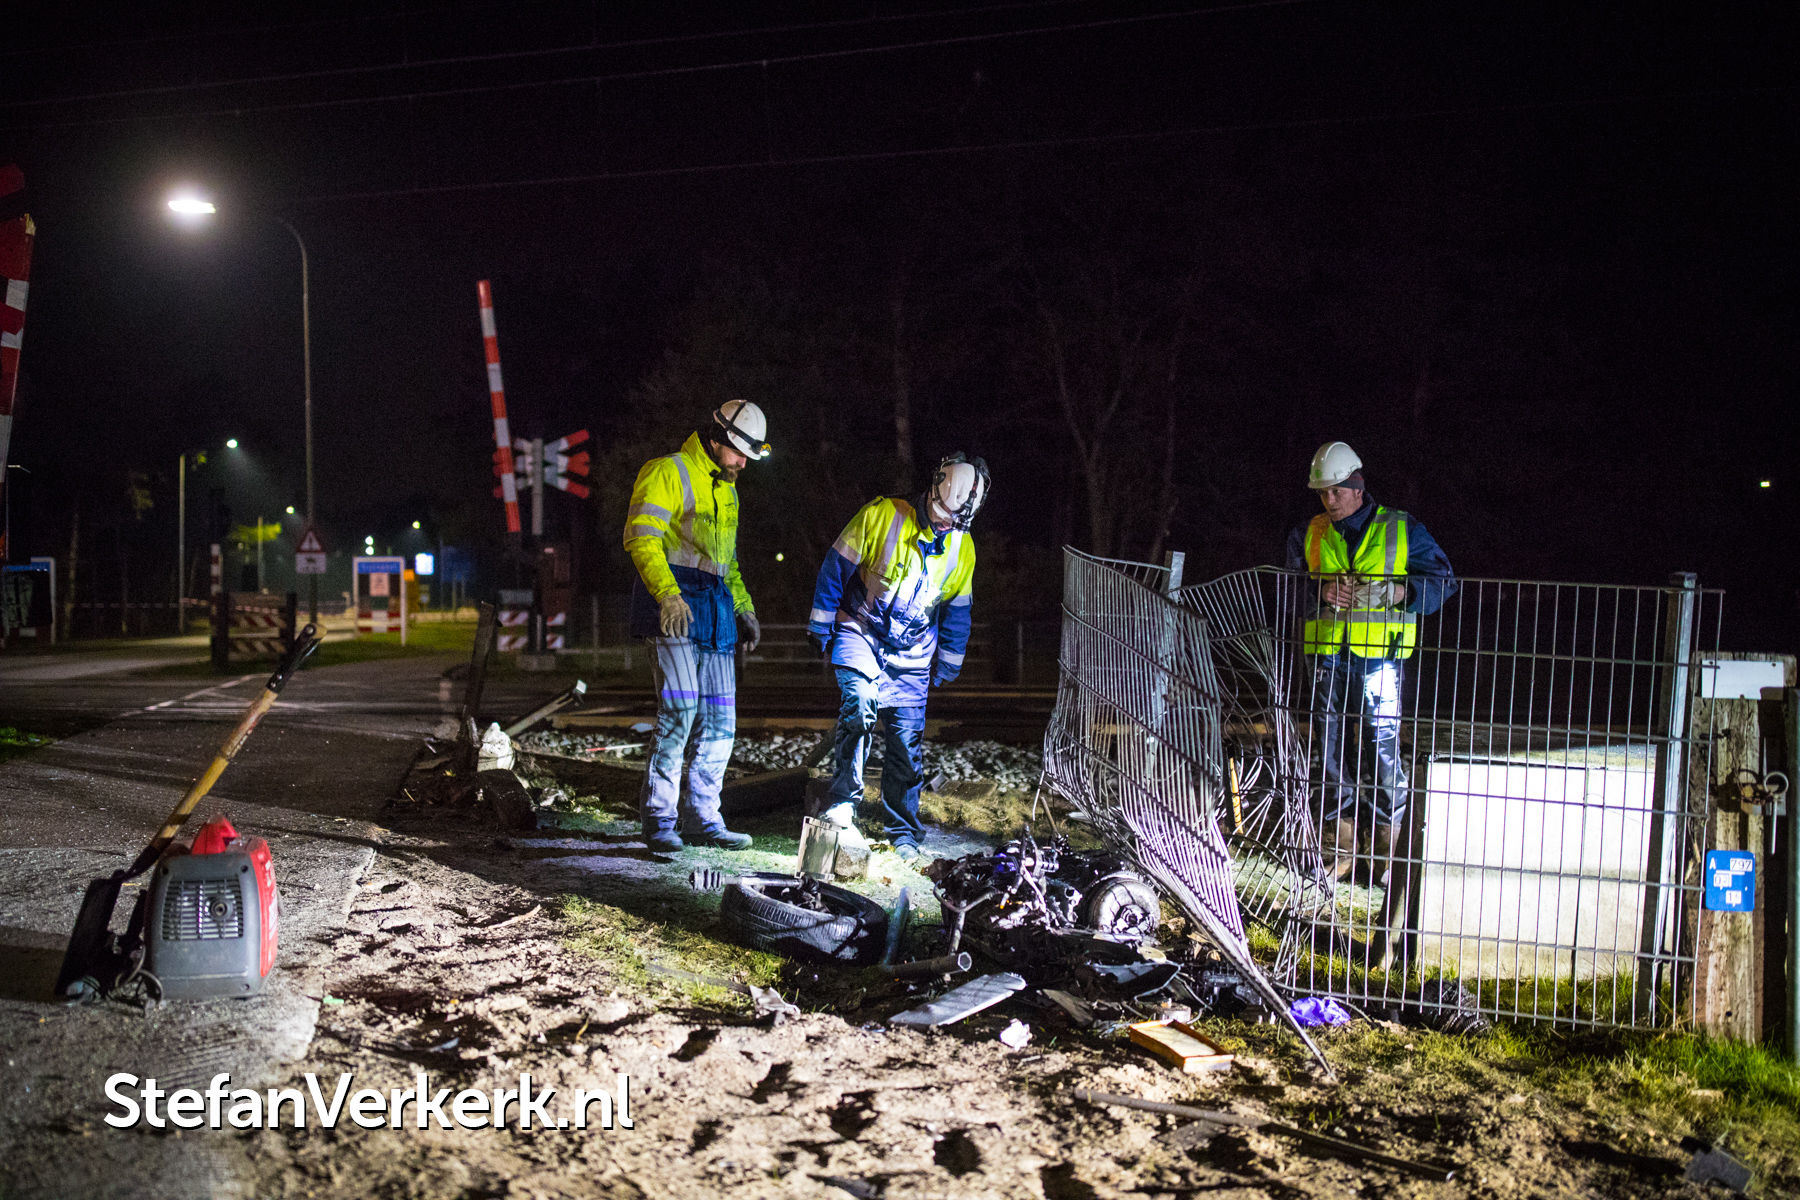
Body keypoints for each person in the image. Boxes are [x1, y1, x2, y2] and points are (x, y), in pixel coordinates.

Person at [1283, 441, 1456, 890]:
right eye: (1322, 493)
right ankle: (1337, 848)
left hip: (1381, 659)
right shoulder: (1309, 532)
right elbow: (1284, 588)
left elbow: (1442, 580)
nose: (1329, 500)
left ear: (1357, 487)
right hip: (1327, 657)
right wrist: (1317, 593)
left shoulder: (1402, 530)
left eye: (1336, 491)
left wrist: (1400, 594)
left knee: (1382, 751)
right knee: (1329, 751)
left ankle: (1385, 854)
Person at [808, 454, 988, 862]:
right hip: (861, 630)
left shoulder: (963, 545)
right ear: (932, 491)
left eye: (953, 521)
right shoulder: (882, 515)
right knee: (859, 708)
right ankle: (842, 804)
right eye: (942, 515)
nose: (945, 525)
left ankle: (903, 831)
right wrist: (820, 622)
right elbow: (835, 567)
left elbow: (958, 607)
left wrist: (950, 658)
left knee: (906, 743)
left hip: (913, 650)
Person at [622, 400, 769, 853]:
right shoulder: (668, 471)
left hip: (717, 612)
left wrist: (743, 607)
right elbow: (640, 537)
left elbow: (727, 562)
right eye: (739, 452)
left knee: (721, 723)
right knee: (680, 713)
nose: (743, 463)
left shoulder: (728, 489)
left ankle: (705, 816)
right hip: (676, 609)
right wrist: (667, 593)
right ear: (718, 438)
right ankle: (661, 820)